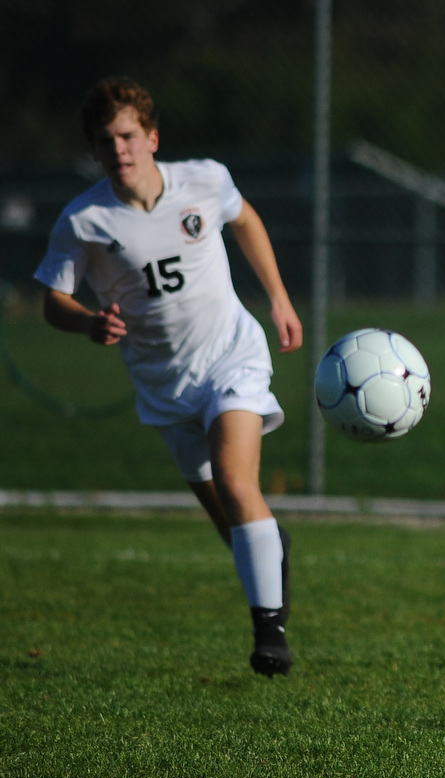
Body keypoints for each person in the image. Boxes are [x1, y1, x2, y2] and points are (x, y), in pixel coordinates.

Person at [33, 77, 304, 678]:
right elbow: (52, 301)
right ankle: (270, 544)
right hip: (164, 384)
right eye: (106, 142)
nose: (119, 150)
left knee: (235, 480)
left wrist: (279, 298)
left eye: (128, 136)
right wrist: (87, 322)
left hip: (231, 356)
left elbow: (246, 221)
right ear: (94, 150)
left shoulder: (204, 180)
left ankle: (271, 634)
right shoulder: (84, 220)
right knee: (229, 518)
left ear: (152, 138)